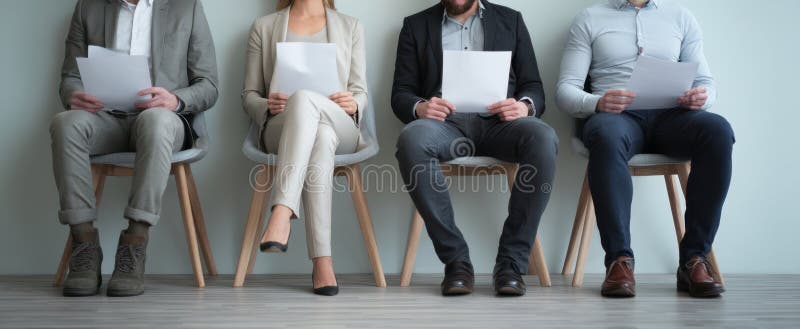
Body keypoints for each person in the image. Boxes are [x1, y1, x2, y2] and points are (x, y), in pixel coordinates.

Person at [556, 0, 734, 298]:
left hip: (673, 116)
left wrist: (702, 98)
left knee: (718, 131)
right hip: (616, 117)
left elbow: (705, 82)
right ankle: (619, 260)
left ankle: (694, 259)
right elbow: (566, 89)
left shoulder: (681, 17)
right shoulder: (589, 18)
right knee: (606, 134)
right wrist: (597, 103)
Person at [51, 0, 218, 297]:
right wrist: (74, 94)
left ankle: (135, 244)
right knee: (66, 124)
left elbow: (208, 84)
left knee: (156, 121)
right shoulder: (88, 7)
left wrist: (175, 100)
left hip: (162, 121)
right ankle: (84, 244)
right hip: (107, 119)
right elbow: (70, 76)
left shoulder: (187, 7)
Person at [392, 0, 558, 296]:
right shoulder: (415, 26)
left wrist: (524, 106)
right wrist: (420, 108)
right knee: (411, 140)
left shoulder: (512, 21)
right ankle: (456, 261)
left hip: (501, 125)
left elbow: (534, 86)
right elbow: (401, 93)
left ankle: (511, 262)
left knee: (543, 138)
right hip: (445, 125)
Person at [242, 0, 367, 296]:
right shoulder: (264, 26)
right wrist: (266, 104)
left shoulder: (351, 26)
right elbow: (249, 95)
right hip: (282, 128)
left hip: (341, 124)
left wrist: (354, 102)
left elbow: (360, 91)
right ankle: (322, 262)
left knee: (306, 101)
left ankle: (282, 211)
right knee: (319, 136)